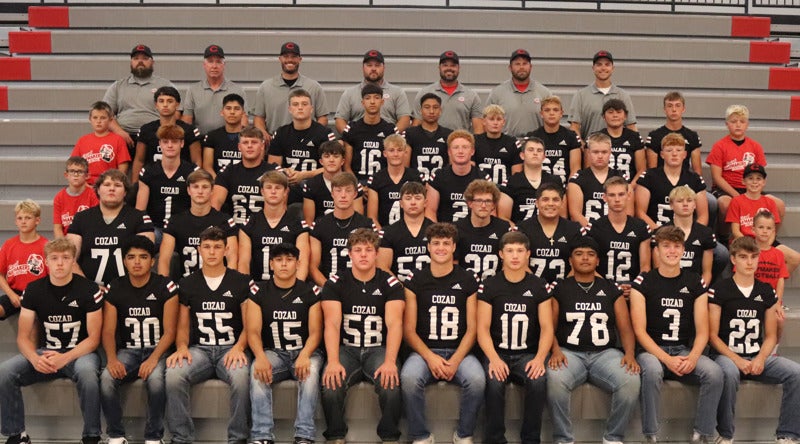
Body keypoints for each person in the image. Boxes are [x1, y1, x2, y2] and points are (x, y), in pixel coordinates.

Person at [0, 238, 103, 444]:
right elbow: (23, 336)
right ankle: (16, 435)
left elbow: (93, 339)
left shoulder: (89, 289)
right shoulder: (34, 289)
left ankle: (92, 436)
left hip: (79, 353)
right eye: (54, 258)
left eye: (65, 258)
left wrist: (65, 358)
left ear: (74, 261)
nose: (60, 263)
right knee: (5, 372)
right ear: (46, 262)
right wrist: (34, 358)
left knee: (87, 374)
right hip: (46, 353)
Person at [630, 226, 723, 444]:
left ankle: (702, 433)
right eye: (666, 246)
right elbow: (640, 332)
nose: (672, 251)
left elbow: (703, 331)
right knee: (652, 371)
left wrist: (692, 357)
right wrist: (667, 360)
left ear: (683, 250)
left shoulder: (695, 282)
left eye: (677, 246)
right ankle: (650, 435)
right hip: (652, 352)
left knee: (715, 373)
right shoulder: (643, 283)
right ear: (657, 251)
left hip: (683, 349)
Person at [165, 227, 255, 444]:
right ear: (199, 250)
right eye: (207, 247)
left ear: (226, 250)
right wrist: (182, 347)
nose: (212, 252)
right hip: (200, 350)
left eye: (217, 247)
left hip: (231, 348)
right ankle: (182, 437)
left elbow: (250, 325)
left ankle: (238, 438)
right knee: (174, 375)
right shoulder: (187, 283)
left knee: (242, 377)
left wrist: (239, 347)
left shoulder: (241, 281)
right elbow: (183, 326)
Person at [547, 236, 640, 444]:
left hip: (605, 354)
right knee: (554, 380)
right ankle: (564, 438)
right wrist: (555, 351)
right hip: (569, 352)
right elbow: (548, 328)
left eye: (590, 255)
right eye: (579, 254)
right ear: (570, 260)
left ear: (598, 260)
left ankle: (613, 437)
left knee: (631, 379)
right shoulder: (559, 289)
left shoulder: (610, 288)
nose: (585, 259)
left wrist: (630, 354)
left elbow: (625, 327)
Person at [708, 235, 800, 444]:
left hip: (756, 353)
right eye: (743, 257)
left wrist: (760, 358)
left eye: (753, 257)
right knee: (729, 373)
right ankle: (725, 434)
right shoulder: (720, 289)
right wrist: (737, 360)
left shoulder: (766, 291)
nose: (749, 262)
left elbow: (770, 336)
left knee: (796, 373)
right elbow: (712, 336)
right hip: (727, 355)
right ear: (733, 259)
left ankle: (788, 435)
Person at [401, 222, 485, 444]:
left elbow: (473, 328)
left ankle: (464, 434)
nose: (440, 248)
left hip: (460, 350)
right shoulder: (415, 280)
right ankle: (420, 435)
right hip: (425, 350)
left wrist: (456, 359)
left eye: (446, 243)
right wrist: (430, 357)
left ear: (454, 247)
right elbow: (408, 330)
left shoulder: (467, 279)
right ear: (428, 247)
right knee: (409, 378)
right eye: (436, 243)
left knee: (477, 380)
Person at [319, 229, 405, 444]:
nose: (363, 255)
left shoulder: (390, 284)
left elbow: (395, 324)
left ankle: (389, 436)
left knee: (391, 384)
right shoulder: (336, 282)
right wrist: (333, 361)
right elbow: (332, 323)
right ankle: (335, 435)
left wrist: (390, 362)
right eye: (358, 250)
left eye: (369, 250)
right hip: (347, 348)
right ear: (349, 254)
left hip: (378, 348)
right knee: (330, 384)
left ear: (377, 253)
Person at [100, 236, 178, 444]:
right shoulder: (115, 287)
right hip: (129, 350)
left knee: (156, 381)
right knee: (107, 378)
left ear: (152, 261)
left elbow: (170, 331)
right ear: (124, 261)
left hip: (157, 349)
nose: (137, 262)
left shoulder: (165, 286)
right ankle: (116, 435)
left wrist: (153, 359)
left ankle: (154, 437)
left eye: (143, 257)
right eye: (131, 257)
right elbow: (108, 331)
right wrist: (112, 359)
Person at [477, 231, 552, 444]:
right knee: (493, 382)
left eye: (520, 251)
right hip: (497, 352)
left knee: (538, 381)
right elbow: (482, 328)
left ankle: (530, 439)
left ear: (528, 254)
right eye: (510, 251)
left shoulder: (538, 285)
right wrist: (493, 358)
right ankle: (494, 439)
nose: (515, 256)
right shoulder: (490, 284)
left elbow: (547, 327)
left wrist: (539, 359)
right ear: (501, 254)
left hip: (527, 354)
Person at [247, 243, 323, 444]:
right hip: (274, 352)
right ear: (271, 264)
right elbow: (252, 331)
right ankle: (262, 436)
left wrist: (305, 355)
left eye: (289, 260)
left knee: (311, 372)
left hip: (304, 351)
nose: (284, 265)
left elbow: (316, 332)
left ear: (298, 264)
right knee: (257, 371)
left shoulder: (309, 291)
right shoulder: (259, 291)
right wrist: (261, 357)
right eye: (279, 260)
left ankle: (304, 435)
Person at [67, 169, 155, 286]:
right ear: (98, 190)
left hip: (129, 291)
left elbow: (145, 259)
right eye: (107, 184)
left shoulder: (139, 218)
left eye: (118, 185)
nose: (112, 188)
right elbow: (68, 259)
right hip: (88, 292)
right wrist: (89, 288)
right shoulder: (81, 218)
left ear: (125, 192)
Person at [706, 104, 784, 236]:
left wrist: (752, 194)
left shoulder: (755, 146)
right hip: (726, 189)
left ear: (747, 124)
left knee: (779, 204)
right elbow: (717, 177)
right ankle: (724, 237)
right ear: (727, 124)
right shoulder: (720, 146)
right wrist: (737, 196)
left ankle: (770, 239)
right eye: (733, 121)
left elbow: (760, 174)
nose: (738, 125)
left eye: (742, 122)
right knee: (725, 204)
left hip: (751, 188)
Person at [158, 169, 238, 279]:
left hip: (218, 283)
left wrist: (228, 285)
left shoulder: (224, 221)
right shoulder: (175, 221)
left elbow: (232, 258)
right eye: (195, 187)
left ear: (212, 191)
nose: (200, 191)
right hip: (186, 286)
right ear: (188, 190)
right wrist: (164, 288)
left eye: (205, 187)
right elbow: (164, 259)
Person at [584, 176, 651, 297]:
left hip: (633, 290)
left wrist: (635, 286)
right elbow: (589, 266)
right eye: (612, 195)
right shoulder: (594, 228)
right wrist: (610, 287)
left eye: (621, 194)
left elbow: (645, 266)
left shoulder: (641, 227)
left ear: (628, 195)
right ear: (604, 197)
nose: (617, 199)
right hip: (602, 290)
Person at [726, 165, 800, 273]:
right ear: (743, 181)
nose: (754, 182)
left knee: (795, 258)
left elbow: (773, 230)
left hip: (765, 240)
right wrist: (753, 246)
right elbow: (735, 231)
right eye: (750, 178)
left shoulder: (769, 202)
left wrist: (766, 247)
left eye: (758, 178)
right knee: (750, 259)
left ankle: (772, 284)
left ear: (764, 182)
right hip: (745, 240)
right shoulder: (737, 201)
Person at [238, 171, 310, 282]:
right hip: (258, 289)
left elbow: (302, 263)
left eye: (278, 188)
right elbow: (243, 263)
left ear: (286, 191)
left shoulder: (298, 225)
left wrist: (294, 290)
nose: (273, 191)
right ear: (262, 191)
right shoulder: (250, 224)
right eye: (268, 187)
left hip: (288, 288)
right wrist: (247, 290)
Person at [103, 44, 175, 153]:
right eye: (136, 58)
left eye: (145, 58)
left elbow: (177, 112)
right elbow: (105, 114)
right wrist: (119, 132)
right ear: (131, 62)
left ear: (152, 62)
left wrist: (163, 132)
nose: (140, 61)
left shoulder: (165, 84)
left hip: (155, 136)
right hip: (124, 136)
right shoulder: (118, 86)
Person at [135, 124, 198, 247]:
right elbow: (140, 211)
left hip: (183, 229)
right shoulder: (148, 172)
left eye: (174, 142)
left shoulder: (192, 172)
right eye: (165, 142)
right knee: (142, 239)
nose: (170, 145)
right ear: (160, 144)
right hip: (156, 228)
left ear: (182, 143)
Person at [308, 172, 375, 286]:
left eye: (348, 191)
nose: (343, 195)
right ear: (332, 193)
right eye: (339, 190)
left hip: (359, 287)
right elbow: (313, 267)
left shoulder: (366, 225)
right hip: (328, 286)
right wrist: (329, 288)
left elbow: (374, 263)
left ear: (355, 194)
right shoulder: (320, 225)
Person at [253, 42, 328, 139]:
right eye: (286, 56)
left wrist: (313, 136)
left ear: (300, 59)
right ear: (280, 59)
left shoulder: (313, 87)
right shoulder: (266, 87)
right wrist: (263, 133)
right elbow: (259, 117)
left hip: (306, 144)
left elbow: (322, 117)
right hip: (275, 142)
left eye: (294, 56)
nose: (290, 60)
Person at [635, 132, 709, 228]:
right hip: (656, 234)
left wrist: (691, 235)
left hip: (686, 235)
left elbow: (703, 215)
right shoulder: (649, 177)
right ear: (662, 154)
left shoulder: (694, 179)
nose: (674, 154)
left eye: (678, 150)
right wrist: (659, 233)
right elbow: (640, 213)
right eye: (669, 150)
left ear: (685, 154)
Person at [211, 126, 281, 226]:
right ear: (239, 147)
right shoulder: (228, 171)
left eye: (254, 142)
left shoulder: (273, 171)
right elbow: (216, 203)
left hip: (264, 229)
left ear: (262, 146)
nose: (249, 146)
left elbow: (281, 205)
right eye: (245, 142)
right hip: (235, 228)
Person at [518, 182, 582, 284]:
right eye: (545, 199)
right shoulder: (522, 229)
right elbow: (519, 264)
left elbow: (579, 265)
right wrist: (540, 289)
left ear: (562, 203)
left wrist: (563, 288)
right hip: (531, 290)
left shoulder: (574, 229)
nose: (550, 204)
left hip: (565, 290)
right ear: (537, 203)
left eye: (555, 200)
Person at [132, 86, 202, 180]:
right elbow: (139, 161)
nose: (165, 105)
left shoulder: (189, 130)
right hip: (153, 179)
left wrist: (195, 183)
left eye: (170, 101)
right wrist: (135, 186)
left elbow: (196, 161)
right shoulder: (146, 130)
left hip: (182, 180)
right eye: (161, 101)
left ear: (177, 104)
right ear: (156, 104)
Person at [267, 89, 335, 185]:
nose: (300, 107)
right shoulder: (281, 133)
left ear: (311, 109)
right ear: (289, 109)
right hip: (288, 184)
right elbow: (273, 166)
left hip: (317, 185)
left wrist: (304, 175)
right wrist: (284, 171)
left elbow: (335, 167)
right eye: (295, 104)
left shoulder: (325, 133)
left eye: (304, 104)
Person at [334, 49, 411, 134]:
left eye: (377, 65)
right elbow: (340, 120)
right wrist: (351, 137)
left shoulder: (397, 92)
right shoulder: (349, 93)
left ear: (384, 67)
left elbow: (405, 119)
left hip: (388, 142)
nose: (373, 69)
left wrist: (391, 138)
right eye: (369, 65)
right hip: (358, 141)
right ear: (363, 67)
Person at [568, 50, 637, 141]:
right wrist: (582, 147)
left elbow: (631, 126)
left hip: (619, 151)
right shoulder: (580, 95)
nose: (603, 68)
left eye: (607, 64)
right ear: (593, 68)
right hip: (591, 151)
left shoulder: (623, 95)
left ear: (613, 68)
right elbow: (574, 127)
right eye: (599, 64)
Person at [425, 130, 492, 223]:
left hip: (474, 233)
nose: (460, 151)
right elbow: (430, 211)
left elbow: (491, 213)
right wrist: (438, 234)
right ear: (449, 152)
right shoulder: (438, 176)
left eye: (465, 147)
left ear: (472, 151)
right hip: (445, 233)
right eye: (456, 147)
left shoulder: (483, 178)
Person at [181, 45, 247, 135]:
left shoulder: (237, 90)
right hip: (201, 141)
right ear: (204, 65)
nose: (214, 66)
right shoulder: (193, 90)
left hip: (227, 142)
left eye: (218, 62)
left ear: (224, 65)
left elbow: (243, 121)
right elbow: (186, 122)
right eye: (210, 62)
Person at [486, 49, 552, 137]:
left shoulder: (544, 93)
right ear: (510, 67)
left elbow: (552, 122)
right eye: (517, 64)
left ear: (530, 67)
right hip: (506, 147)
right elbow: (486, 122)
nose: (521, 67)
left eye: (525, 63)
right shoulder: (497, 93)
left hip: (535, 146)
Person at [412, 51, 483, 133]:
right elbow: (416, 123)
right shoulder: (424, 93)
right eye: (445, 65)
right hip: (432, 144)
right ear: (439, 67)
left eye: (453, 65)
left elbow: (478, 128)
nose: (449, 68)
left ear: (459, 68)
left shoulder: (471, 96)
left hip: (459, 144)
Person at [658, 186, 717, 286]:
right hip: (667, 287)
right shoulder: (661, 232)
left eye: (689, 200)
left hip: (695, 287)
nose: (685, 204)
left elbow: (707, 272)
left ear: (695, 204)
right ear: (671, 205)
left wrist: (699, 291)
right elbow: (658, 268)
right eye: (680, 201)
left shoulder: (706, 233)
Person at [455, 180, 512, 281]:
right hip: (464, 288)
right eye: (479, 201)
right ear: (470, 203)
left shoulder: (503, 228)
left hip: (494, 289)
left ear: (494, 205)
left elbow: (508, 263)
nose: (483, 205)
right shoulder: (457, 229)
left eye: (488, 201)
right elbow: (453, 266)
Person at [0, 200, 48, 319]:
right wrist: (11, 295)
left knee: (31, 322)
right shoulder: (8, 245)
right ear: (16, 221)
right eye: (20, 218)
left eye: (28, 218)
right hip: (15, 292)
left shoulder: (46, 246)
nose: (23, 221)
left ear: (37, 220)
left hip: (39, 294)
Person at [377, 181, 433, 282]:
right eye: (408, 198)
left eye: (418, 198)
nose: (413, 202)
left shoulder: (435, 230)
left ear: (425, 203)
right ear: (401, 203)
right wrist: (400, 289)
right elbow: (383, 267)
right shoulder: (388, 233)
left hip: (430, 289)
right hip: (398, 290)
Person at [342, 84, 398, 184]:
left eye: (376, 98)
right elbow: (346, 166)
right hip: (357, 182)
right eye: (368, 98)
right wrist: (358, 187)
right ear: (362, 103)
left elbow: (395, 164)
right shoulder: (352, 129)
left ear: (382, 102)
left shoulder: (390, 130)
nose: (372, 102)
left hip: (383, 183)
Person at [566, 132, 625, 227]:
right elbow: (575, 214)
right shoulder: (578, 179)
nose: (600, 156)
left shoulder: (621, 178)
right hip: (587, 235)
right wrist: (595, 232)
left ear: (610, 152)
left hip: (615, 232)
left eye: (604, 152)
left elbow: (628, 212)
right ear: (588, 153)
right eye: (595, 152)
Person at [367, 134, 424, 229]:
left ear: (405, 152)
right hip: (384, 233)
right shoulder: (376, 179)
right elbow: (372, 217)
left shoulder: (416, 177)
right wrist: (383, 236)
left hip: (411, 232)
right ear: (385, 153)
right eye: (391, 150)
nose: (396, 154)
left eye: (399, 150)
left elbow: (423, 211)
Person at [302, 141, 365, 224]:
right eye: (327, 156)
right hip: (320, 233)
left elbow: (358, 221)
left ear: (342, 161)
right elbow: (309, 222)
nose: (331, 160)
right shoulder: (311, 185)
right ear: (321, 161)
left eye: (336, 156)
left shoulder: (354, 184)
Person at [502, 137, 562, 224]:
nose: (535, 153)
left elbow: (562, 215)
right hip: (520, 234)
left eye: (539, 150)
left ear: (544, 157)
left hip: (549, 232)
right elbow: (503, 217)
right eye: (531, 150)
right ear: (522, 155)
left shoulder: (555, 181)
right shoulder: (511, 182)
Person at [525, 96, 582, 185]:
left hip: (563, 187)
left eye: (555, 110)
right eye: (547, 110)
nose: (551, 113)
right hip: (538, 188)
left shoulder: (571, 136)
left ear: (561, 113)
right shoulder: (532, 137)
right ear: (541, 114)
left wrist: (569, 189)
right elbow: (527, 168)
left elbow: (575, 169)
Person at [71, 101, 131, 185]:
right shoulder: (82, 140)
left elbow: (123, 166)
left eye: (103, 118)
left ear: (110, 119)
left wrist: (115, 183)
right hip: (86, 185)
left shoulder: (118, 140)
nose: (98, 121)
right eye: (95, 118)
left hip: (109, 184)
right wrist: (83, 184)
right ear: (90, 119)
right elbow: (74, 164)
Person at [645, 91, 703, 175]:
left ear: (683, 109)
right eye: (670, 106)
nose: (674, 109)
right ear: (664, 109)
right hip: (660, 183)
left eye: (678, 105)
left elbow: (698, 172)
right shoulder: (654, 136)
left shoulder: (692, 136)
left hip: (685, 183)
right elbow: (652, 171)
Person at [405, 93, 453, 181]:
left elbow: (452, 167)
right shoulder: (410, 133)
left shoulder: (448, 134)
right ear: (420, 110)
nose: (431, 111)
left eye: (435, 107)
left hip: (441, 185)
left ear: (440, 110)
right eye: (427, 107)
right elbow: (405, 167)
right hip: (416, 186)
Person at [473, 105, 522, 186]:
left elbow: (516, 176)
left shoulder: (512, 143)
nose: (495, 123)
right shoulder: (475, 141)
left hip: (505, 190)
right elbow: (470, 171)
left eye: (499, 119)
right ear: (484, 121)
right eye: (491, 119)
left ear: (503, 122)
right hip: (480, 190)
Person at [598, 99, 645, 182]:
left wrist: (631, 186)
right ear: (603, 116)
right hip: (602, 187)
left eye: (619, 112)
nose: (615, 115)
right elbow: (589, 169)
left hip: (628, 188)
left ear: (625, 116)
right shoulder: (597, 137)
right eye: (610, 112)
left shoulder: (634, 137)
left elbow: (641, 170)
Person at [53, 157, 100, 238]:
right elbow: (57, 228)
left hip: (88, 239)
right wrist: (63, 247)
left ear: (87, 175)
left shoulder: (93, 195)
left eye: (80, 171)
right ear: (66, 175)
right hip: (67, 242)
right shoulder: (59, 197)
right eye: (72, 171)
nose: (76, 174)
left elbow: (97, 224)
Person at [202, 93, 246, 177]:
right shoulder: (212, 136)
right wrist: (219, 184)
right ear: (222, 112)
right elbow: (207, 167)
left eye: (237, 109)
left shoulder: (252, 136)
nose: (232, 112)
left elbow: (257, 165)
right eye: (228, 108)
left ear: (243, 113)